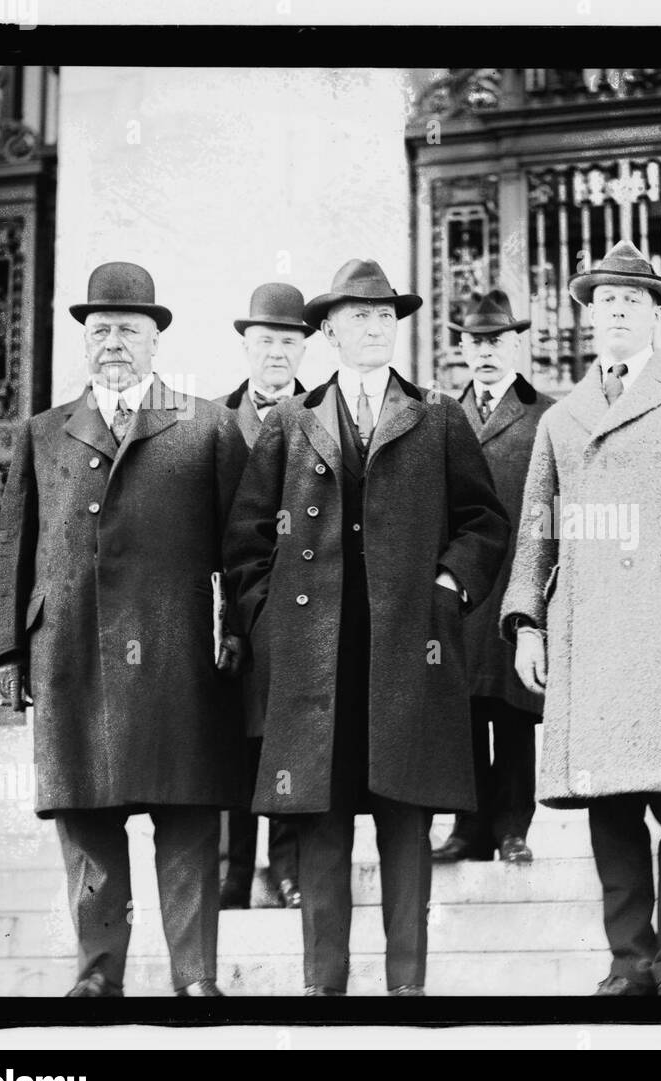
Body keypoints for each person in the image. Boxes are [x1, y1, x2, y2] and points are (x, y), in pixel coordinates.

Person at [225, 258, 508, 996]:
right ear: (328, 330)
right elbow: (248, 539)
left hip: (409, 650)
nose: (375, 325)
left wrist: (448, 587)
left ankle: (406, 987)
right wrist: (264, 624)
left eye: (385, 314)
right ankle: (324, 988)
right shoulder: (291, 422)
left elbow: (483, 521)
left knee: (406, 821)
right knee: (319, 823)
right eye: (357, 315)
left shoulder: (438, 415)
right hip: (314, 661)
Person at [501, 240, 661, 996]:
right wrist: (526, 622)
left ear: (657, 314)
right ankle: (629, 960)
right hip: (586, 634)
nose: (615, 309)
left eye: (630, 299)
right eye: (602, 299)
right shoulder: (562, 416)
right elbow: (534, 527)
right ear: (588, 317)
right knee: (607, 808)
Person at [0, 261, 249, 997]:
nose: (113, 342)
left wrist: (237, 632)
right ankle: (98, 976)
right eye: (99, 329)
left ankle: (195, 978)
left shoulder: (206, 425)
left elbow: (244, 543)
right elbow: (13, 544)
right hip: (71, 655)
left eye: (128, 330)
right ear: (84, 340)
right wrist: (11, 647)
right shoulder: (42, 432)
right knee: (87, 824)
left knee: (190, 817)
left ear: (155, 341)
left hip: (178, 659)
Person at [432, 291, 554, 865]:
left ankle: (513, 828)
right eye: (475, 342)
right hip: (460, 585)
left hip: (517, 582)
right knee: (461, 712)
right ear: (461, 347)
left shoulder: (545, 415)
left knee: (512, 712)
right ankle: (467, 827)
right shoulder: (440, 414)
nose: (484, 352)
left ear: (516, 346)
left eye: (496, 342)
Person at [215, 282, 311, 910]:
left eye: (288, 341)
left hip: (297, 603)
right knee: (230, 735)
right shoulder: (211, 418)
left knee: (288, 733)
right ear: (247, 346)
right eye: (265, 340)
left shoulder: (325, 415)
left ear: (304, 347)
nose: (276, 352)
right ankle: (230, 871)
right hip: (228, 605)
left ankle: (286, 867)